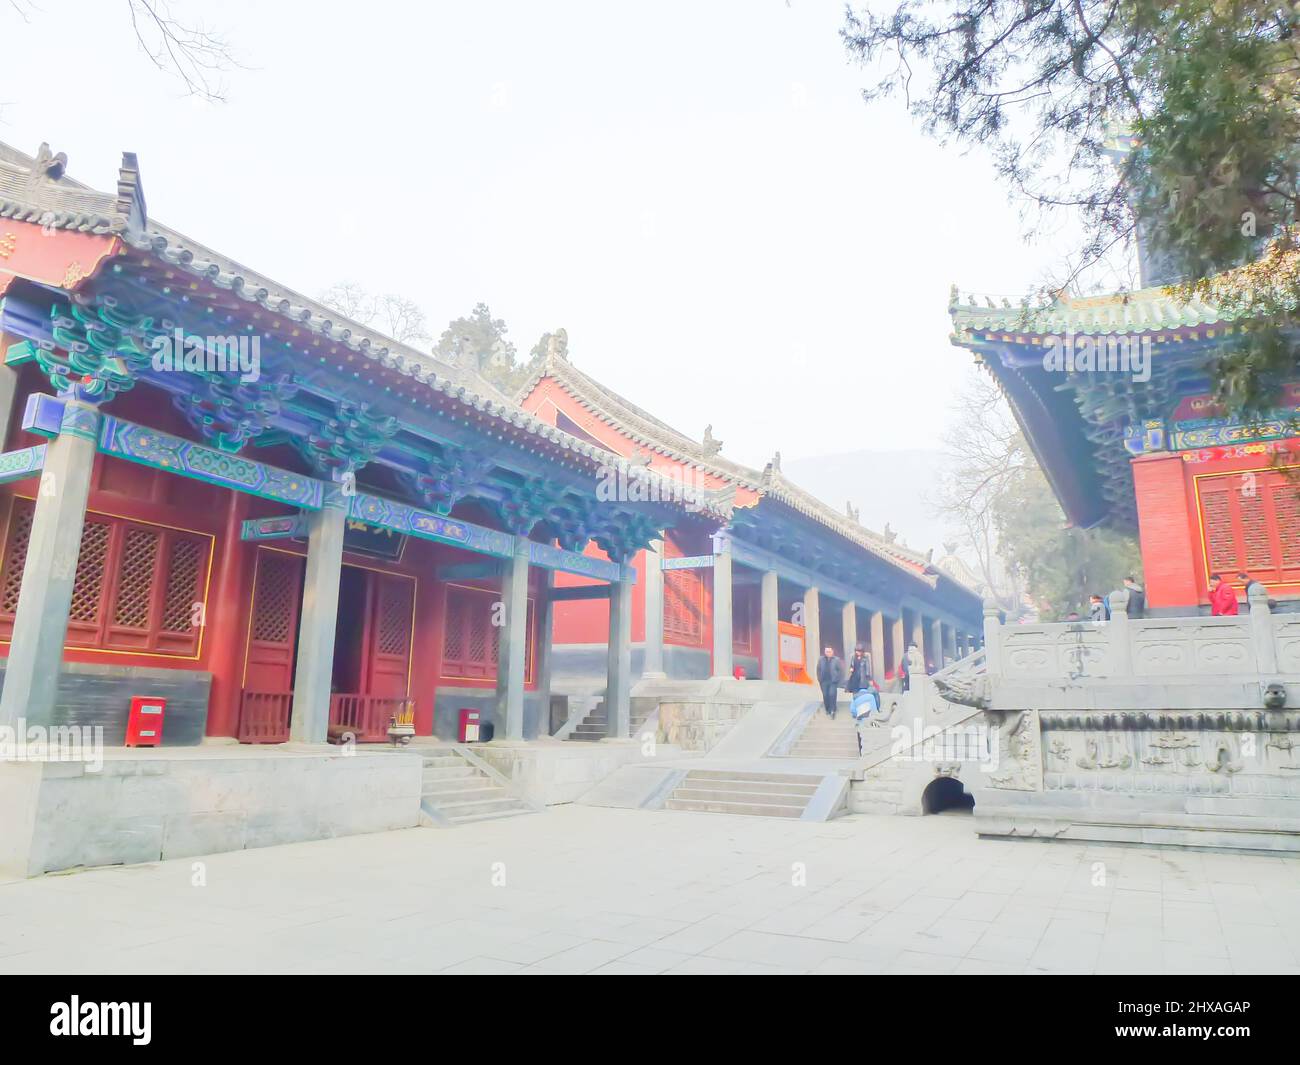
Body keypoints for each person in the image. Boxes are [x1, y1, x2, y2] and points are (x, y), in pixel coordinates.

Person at [815, 646, 844, 717]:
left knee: (832, 694)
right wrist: (819, 679)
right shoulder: (821, 659)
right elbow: (818, 669)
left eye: (829, 651)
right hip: (824, 681)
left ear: (832, 652)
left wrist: (838, 679)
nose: (828, 653)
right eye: (826, 651)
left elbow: (840, 671)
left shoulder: (836, 660)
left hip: (833, 681)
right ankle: (827, 708)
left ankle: (833, 709)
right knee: (825, 695)